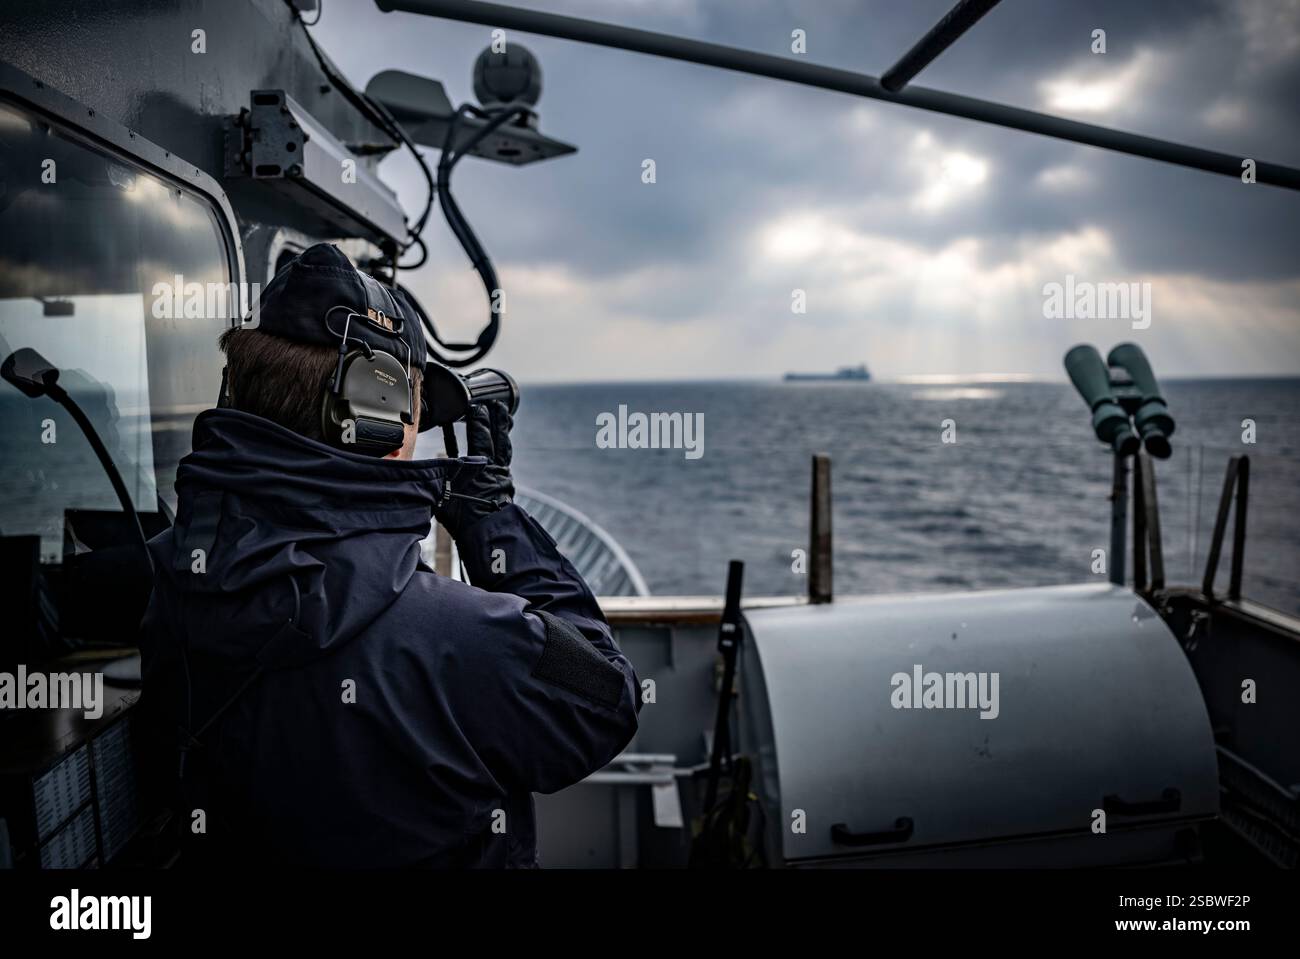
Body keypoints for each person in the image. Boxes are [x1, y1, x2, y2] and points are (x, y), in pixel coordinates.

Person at [138, 243, 639, 867]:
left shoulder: (174, 577)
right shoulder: (464, 638)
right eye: (415, 409)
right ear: (375, 413)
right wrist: (491, 517)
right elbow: (607, 701)